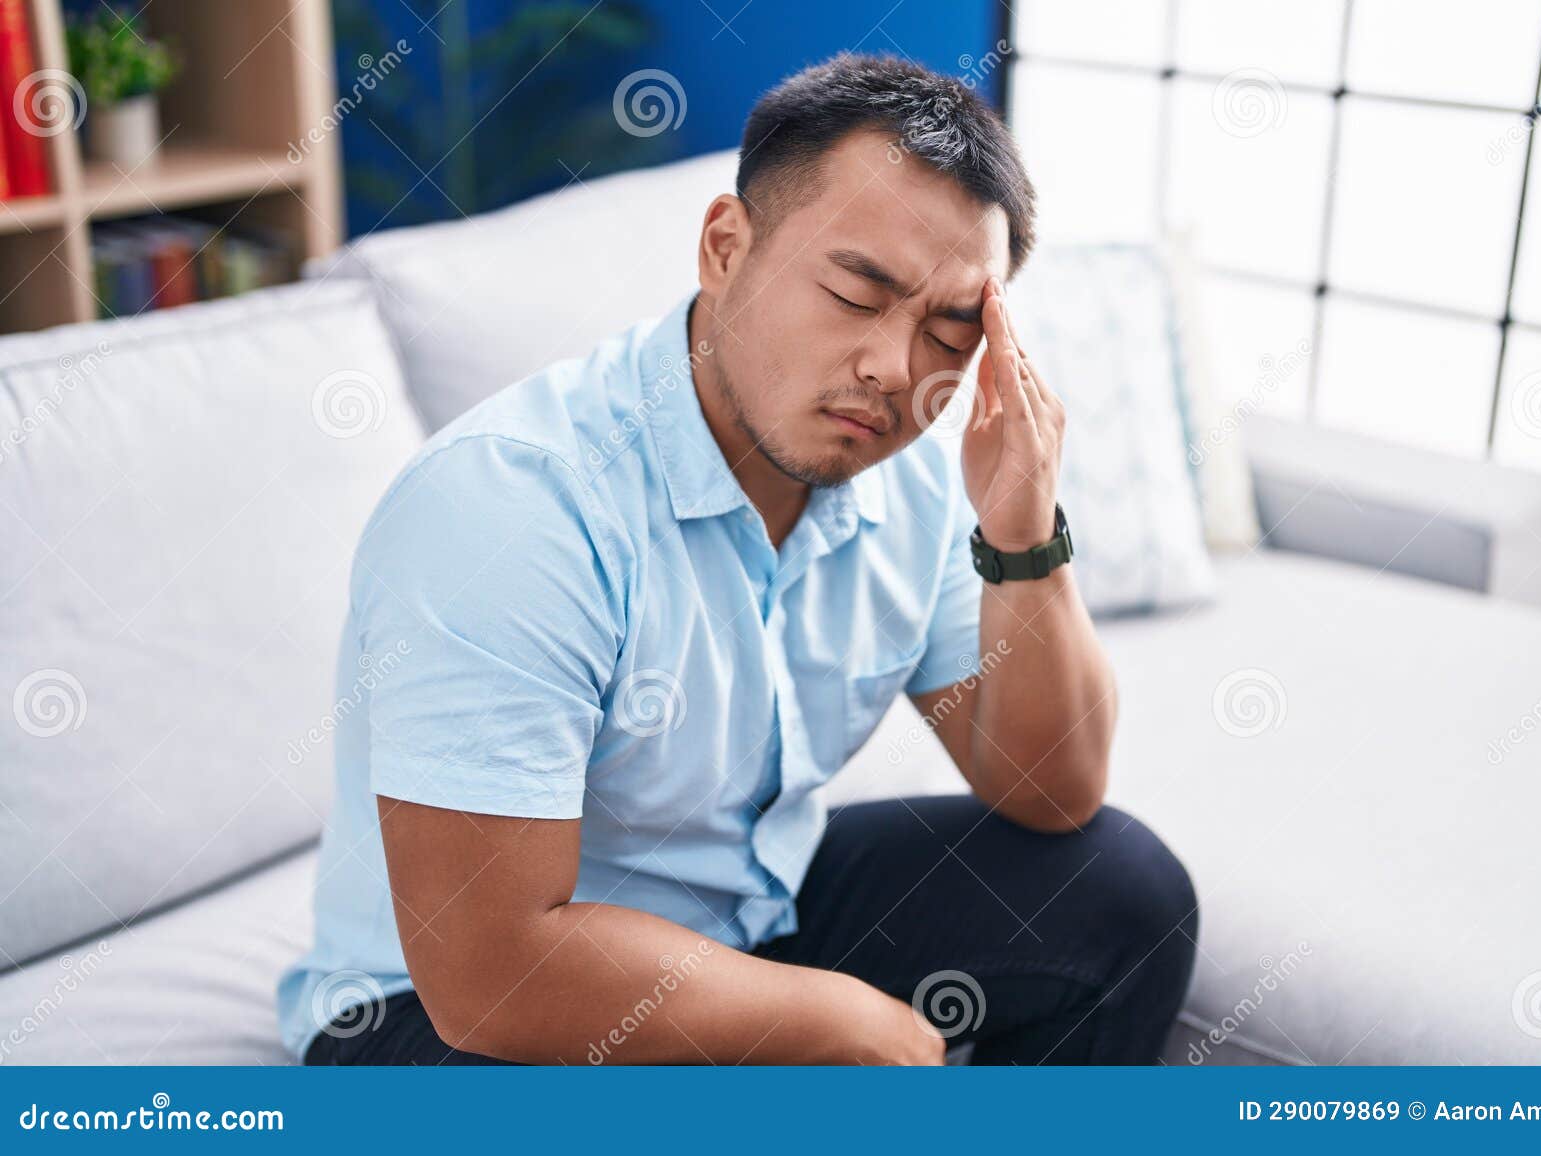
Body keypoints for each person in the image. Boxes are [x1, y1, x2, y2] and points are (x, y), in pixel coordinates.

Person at [279, 52, 1197, 1066]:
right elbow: (491, 972)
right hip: (439, 1017)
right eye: (856, 291)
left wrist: (1022, 535)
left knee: (1119, 897)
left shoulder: (918, 484)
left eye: (947, 329)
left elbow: (1050, 790)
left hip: (741, 917)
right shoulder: (513, 504)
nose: (894, 370)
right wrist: (835, 1022)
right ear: (726, 247)